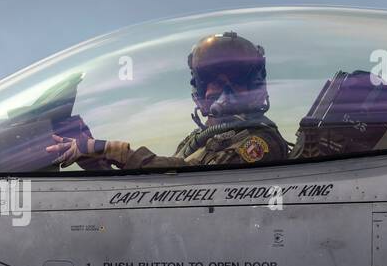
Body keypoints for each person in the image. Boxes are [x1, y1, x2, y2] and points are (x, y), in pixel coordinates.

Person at [47, 31, 290, 169]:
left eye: (235, 77)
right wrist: (92, 157)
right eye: (212, 79)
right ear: (200, 87)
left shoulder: (260, 142)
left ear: (253, 84)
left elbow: (191, 184)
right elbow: (159, 191)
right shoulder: (200, 139)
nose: (223, 88)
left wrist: (111, 149)